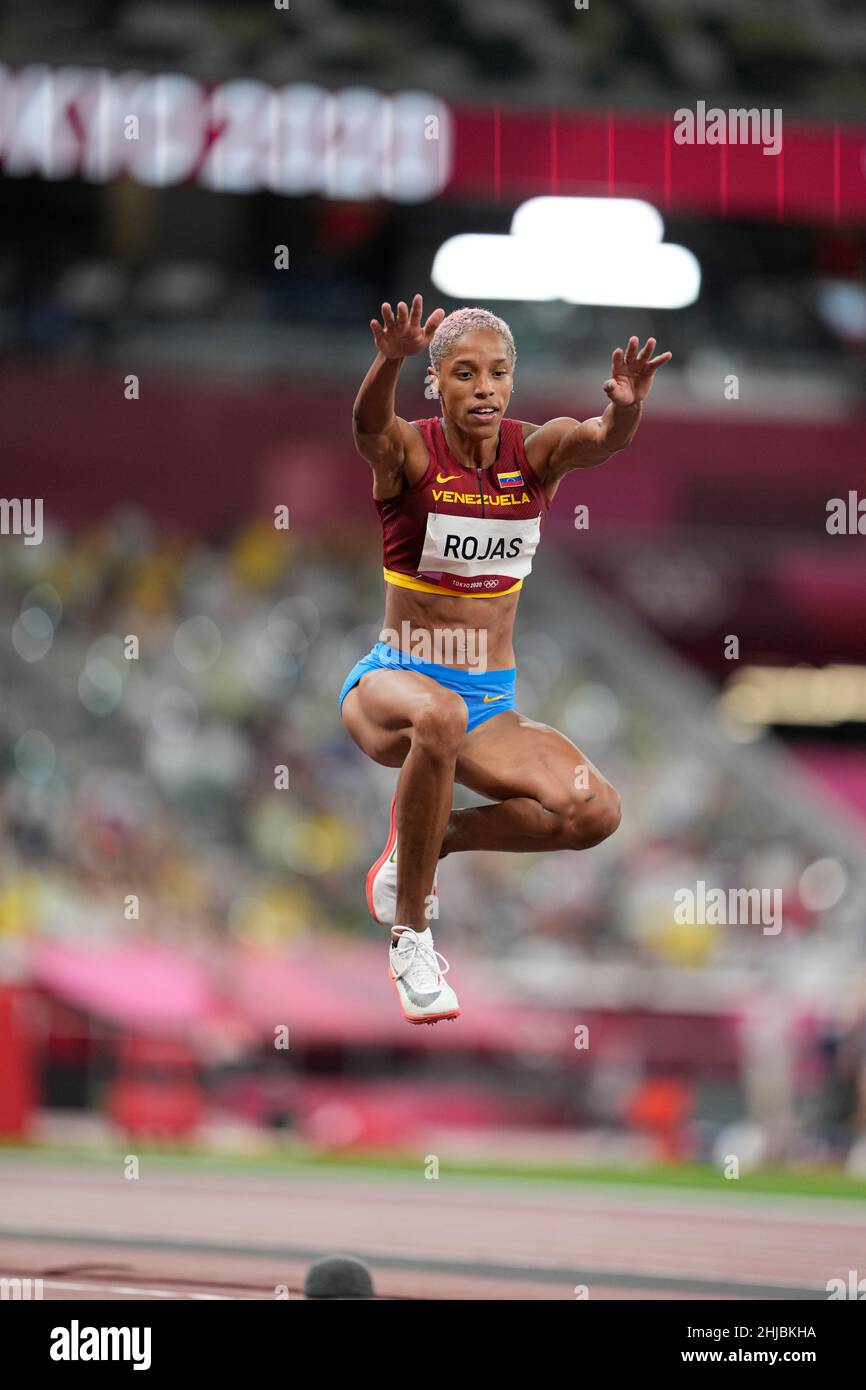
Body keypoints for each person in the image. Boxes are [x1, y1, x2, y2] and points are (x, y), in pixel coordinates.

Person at [340, 296, 671, 1024]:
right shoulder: (413, 452)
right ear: (438, 384)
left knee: (596, 811)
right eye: (464, 373)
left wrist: (626, 409)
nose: (483, 387)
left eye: (497, 373)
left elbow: (602, 440)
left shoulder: (537, 453)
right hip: (394, 683)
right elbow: (368, 429)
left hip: (488, 705)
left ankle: (431, 839)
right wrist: (389, 358)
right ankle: (412, 939)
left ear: (512, 383)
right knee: (439, 713)